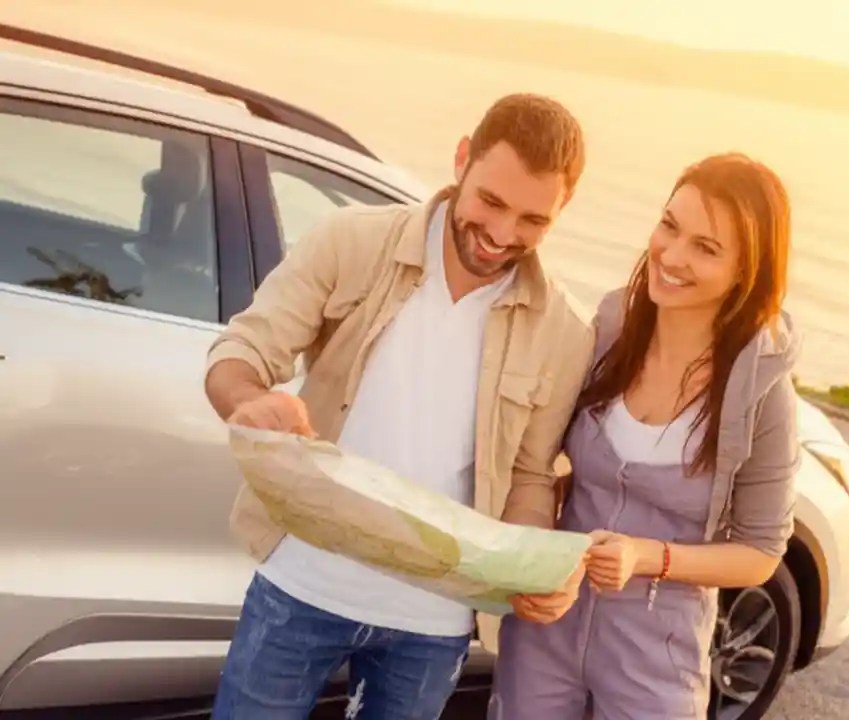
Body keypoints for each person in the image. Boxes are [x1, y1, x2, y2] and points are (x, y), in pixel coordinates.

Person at [203, 93, 596, 719]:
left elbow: (528, 476)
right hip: (301, 583)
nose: (501, 235)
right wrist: (248, 400)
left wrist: (530, 571)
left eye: (532, 220)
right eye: (491, 202)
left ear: (562, 210)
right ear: (463, 158)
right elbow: (242, 349)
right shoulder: (351, 240)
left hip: (431, 622)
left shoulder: (567, 331)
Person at [489, 152, 802, 719]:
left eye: (706, 248)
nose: (672, 256)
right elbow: (535, 459)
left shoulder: (762, 392)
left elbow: (760, 553)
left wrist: (646, 556)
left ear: (746, 271)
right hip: (546, 628)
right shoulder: (608, 331)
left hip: (656, 652)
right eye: (670, 225)